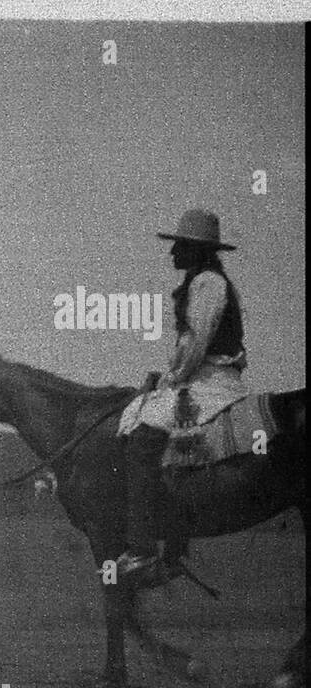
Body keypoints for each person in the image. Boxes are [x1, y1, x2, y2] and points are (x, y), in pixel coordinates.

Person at [115, 209, 247, 587]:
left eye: (180, 246)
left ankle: (141, 549)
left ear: (196, 251)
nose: (173, 253)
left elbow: (195, 345)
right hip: (202, 377)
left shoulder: (209, 284)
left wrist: (170, 380)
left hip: (213, 382)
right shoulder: (200, 282)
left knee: (142, 435)